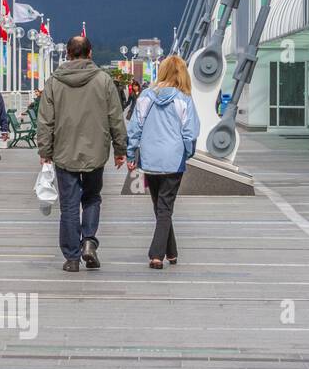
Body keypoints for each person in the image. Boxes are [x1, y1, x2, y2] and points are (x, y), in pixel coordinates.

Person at [36, 35, 126, 273]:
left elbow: (45, 121)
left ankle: (72, 258)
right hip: (96, 151)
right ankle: (88, 241)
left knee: (69, 205)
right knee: (92, 197)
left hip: (64, 152)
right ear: (90, 53)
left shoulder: (54, 82)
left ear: (67, 53)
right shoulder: (104, 80)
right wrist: (120, 149)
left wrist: (45, 150)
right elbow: (115, 117)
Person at [127, 55, 200, 270]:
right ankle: (156, 255)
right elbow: (190, 133)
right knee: (165, 207)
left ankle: (172, 252)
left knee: (160, 206)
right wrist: (187, 153)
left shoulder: (146, 96)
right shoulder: (184, 99)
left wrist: (131, 154)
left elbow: (135, 128)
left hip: (150, 159)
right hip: (173, 159)